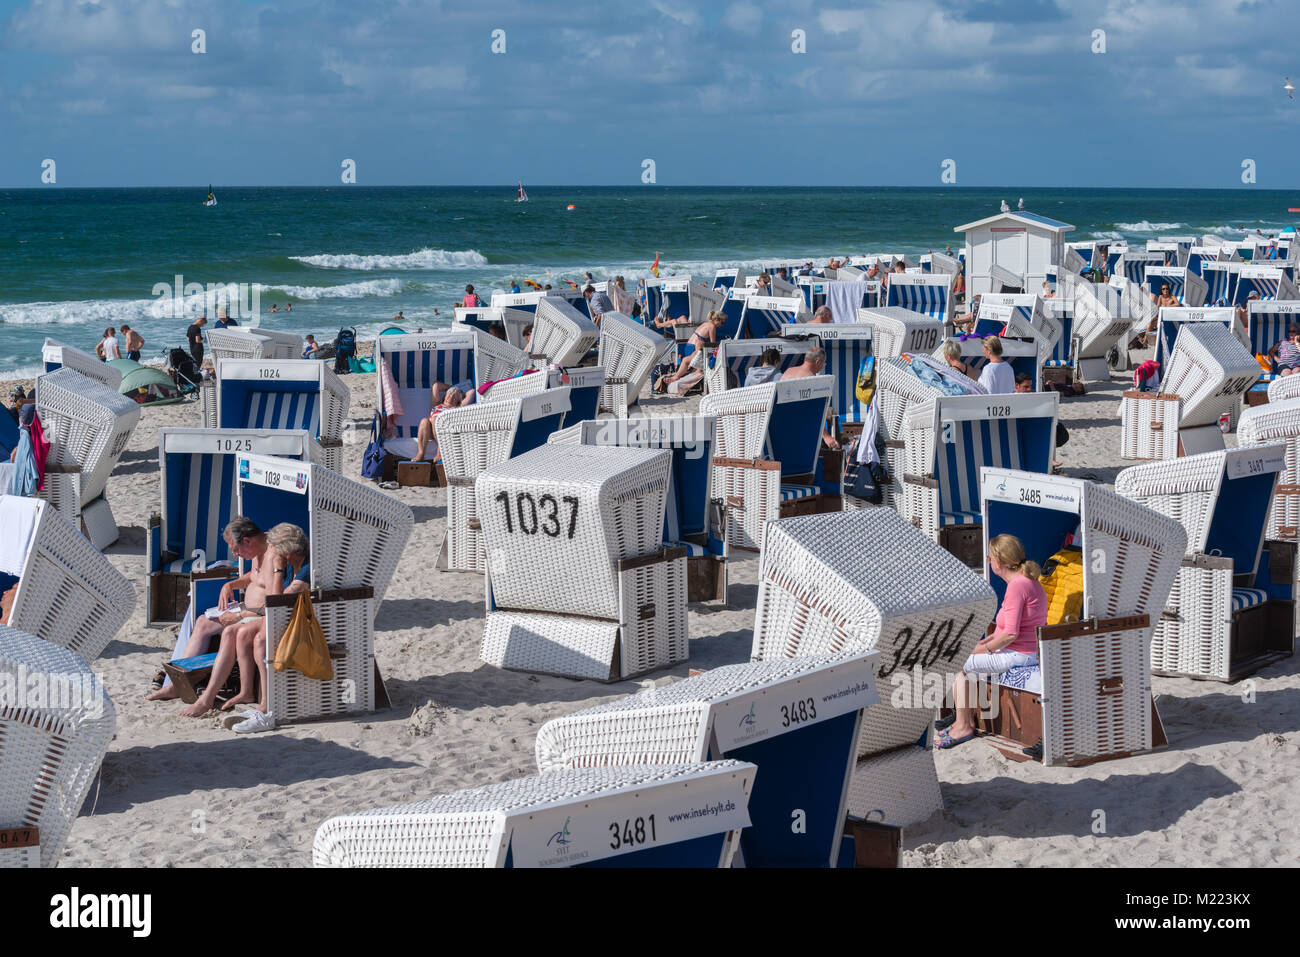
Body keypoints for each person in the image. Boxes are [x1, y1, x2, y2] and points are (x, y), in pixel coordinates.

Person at [936, 533, 1046, 748]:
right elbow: (1001, 632)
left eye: (989, 558)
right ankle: (964, 717)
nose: (988, 562)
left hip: (1019, 655)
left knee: (960, 666)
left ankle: (963, 726)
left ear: (999, 561)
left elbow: (1009, 635)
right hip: (1023, 652)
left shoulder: (1017, 586)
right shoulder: (1028, 582)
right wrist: (972, 648)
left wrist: (979, 652)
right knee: (963, 658)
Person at [148, 518, 270, 704]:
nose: (235, 554)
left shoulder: (273, 554)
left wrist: (239, 615)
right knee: (202, 622)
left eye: (235, 549)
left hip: (258, 614)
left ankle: (189, 687)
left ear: (247, 541)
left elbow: (273, 599)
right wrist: (231, 584)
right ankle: (176, 685)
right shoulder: (255, 551)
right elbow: (254, 576)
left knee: (224, 629)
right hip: (246, 609)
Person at [221, 522, 312, 733]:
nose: (273, 554)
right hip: (286, 617)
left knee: (261, 640)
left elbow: (277, 601)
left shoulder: (304, 570)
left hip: (301, 624)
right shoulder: (294, 565)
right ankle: (251, 695)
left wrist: (278, 569)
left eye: (276, 550)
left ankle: (266, 705)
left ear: (285, 550)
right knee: (244, 634)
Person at [780, 347, 840, 449]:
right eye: (823, 363)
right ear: (818, 362)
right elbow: (813, 413)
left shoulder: (788, 372)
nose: (822, 367)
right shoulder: (811, 380)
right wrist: (826, 436)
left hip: (781, 426)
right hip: (799, 431)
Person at [657, 311, 726, 390]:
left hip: (689, 345)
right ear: (717, 320)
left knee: (686, 360)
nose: (722, 325)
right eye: (722, 323)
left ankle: (678, 376)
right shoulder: (712, 327)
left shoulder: (705, 324)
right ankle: (676, 377)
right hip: (695, 346)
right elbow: (712, 344)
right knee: (687, 361)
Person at [411, 386, 468, 463]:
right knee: (424, 421)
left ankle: (440, 450)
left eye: (455, 396)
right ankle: (421, 453)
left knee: (435, 418)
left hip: (446, 432)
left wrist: (460, 392)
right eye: (450, 394)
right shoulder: (436, 404)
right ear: (445, 395)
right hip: (430, 431)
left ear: (458, 400)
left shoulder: (457, 408)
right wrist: (452, 388)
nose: (451, 396)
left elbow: (472, 392)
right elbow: (436, 385)